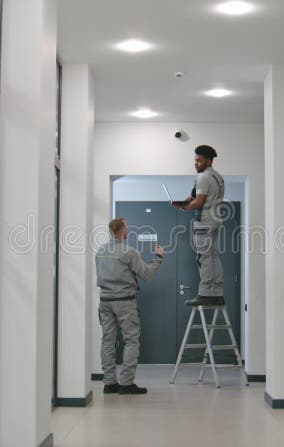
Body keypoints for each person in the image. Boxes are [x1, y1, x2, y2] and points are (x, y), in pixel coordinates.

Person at [95, 217, 164, 395]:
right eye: (126, 229)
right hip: (124, 302)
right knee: (131, 340)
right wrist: (158, 257)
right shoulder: (129, 252)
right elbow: (147, 274)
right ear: (123, 232)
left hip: (105, 302)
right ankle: (126, 384)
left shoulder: (100, 251)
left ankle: (109, 383)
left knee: (108, 341)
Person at [172, 144, 225, 306]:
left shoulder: (203, 177)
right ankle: (217, 292)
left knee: (203, 257)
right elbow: (201, 197)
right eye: (195, 160)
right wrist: (191, 200)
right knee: (214, 256)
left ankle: (205, 293)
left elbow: (200, 202)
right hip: (216, 220)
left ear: (209, 161)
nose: (196, 164)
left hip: (204, 222)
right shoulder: (218, 177)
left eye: (199, 161)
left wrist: (182, 206)